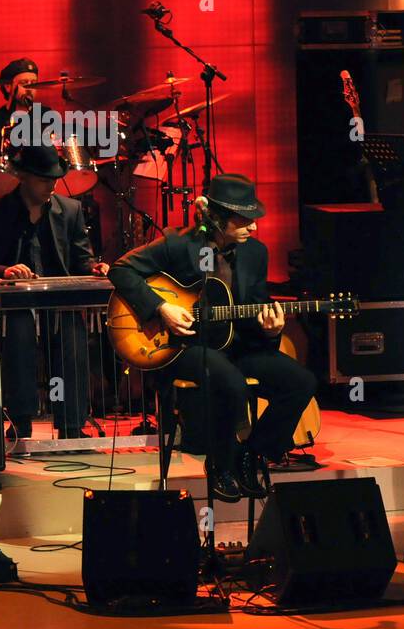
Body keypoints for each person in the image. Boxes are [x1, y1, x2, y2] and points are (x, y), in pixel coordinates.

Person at [108, 174, 317, 502]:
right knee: (230, 382)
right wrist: (162, 308)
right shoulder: (177, 243)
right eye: (244, 220)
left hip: (236, 344)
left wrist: (271, 329)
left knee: (301, 381)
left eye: (254, 220)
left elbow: (256, 307)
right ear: (216, 217)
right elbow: (120, 270)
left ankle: (253, 454)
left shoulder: (255, 254)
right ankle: (220, 464)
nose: (254, 228)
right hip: (183, 345)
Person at [0, 143, 109, 440]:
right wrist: (4, 271)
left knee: (72, 336)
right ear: (23, 177)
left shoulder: (70, 210)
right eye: (45, 179)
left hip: (59, 301)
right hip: (17, 305)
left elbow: (83, 259)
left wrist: (95, 268)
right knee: (18, 336)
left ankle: (71, 425)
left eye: (54, 179)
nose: (52, 185)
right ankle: (21, 423)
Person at [0, 58, 40, 133]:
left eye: (34, 83)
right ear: (7, 87)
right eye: (23, 83)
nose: (30, 88)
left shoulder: (45, 116)